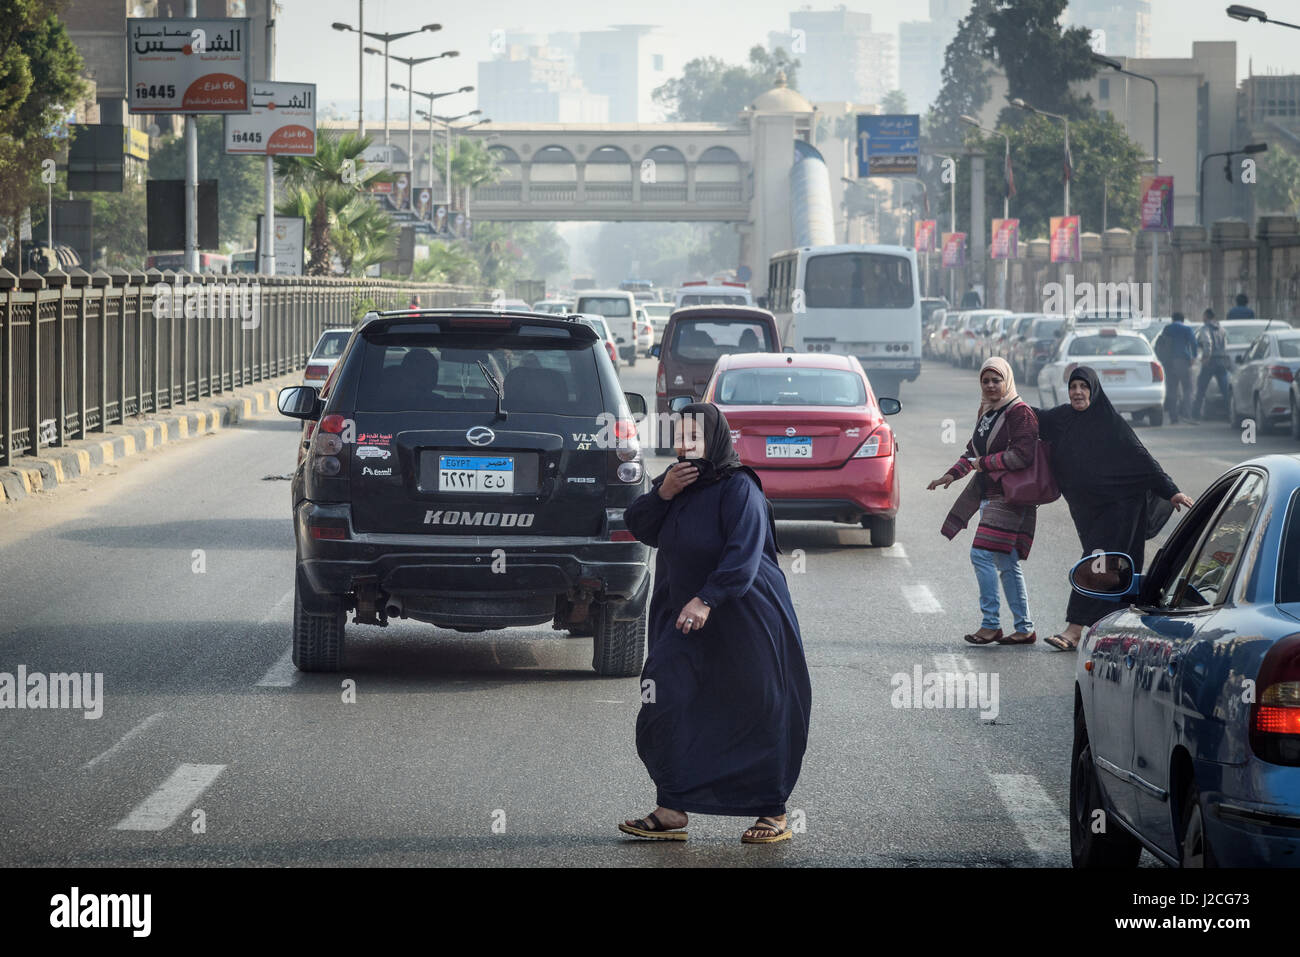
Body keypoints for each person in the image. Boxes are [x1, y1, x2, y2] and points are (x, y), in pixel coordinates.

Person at [619, 402, 812, 844]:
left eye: (694, 437)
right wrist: (662, 493)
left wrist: (708, 598)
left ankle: (771, 810)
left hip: (744, 614)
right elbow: (640, 526)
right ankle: (672, 807)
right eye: (679, 436)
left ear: (716, 440)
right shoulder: (677, 483)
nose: (684, 445)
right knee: (666, 698)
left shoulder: (739, 487)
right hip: (682, 615)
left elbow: (743, 553)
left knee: (757, 704)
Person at [1035, 367, 1195, 651]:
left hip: (1122, 510)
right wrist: (1003, 402)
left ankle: (1073, 630)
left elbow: (1143, 459)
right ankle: (1123, 633)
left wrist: (1172, 491)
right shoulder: (1061, 418)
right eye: (1073, 386)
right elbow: (1032, 418)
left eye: (1084, 387)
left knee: (1097, 562)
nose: (1078, 392)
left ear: (1094, 391)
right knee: (1117, 571)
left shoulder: (1111, 423)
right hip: (1089, 511)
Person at [928, 357, 1038, 645]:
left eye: (996, 380)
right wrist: (950, 476)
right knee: (1005, 560)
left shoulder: (1020, 413)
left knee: (981, 554)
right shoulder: (987, 412)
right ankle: (1024, 628)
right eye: (986, 380)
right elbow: (971, 453)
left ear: (1007, 381)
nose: (991, 385)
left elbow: (1023, 456)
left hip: (1009, 496)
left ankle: (991, 624)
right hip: (989, 495)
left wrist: (983, 463)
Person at [1154, 312, 1198, 423]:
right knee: (1188, 388)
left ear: (1172, 319)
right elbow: (1194, 343)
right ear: (1183, 320)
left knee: (1172, 389)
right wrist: (1194, 356)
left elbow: (1161, 344)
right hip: (1183, 361)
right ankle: (1186, 414)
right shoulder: (1187, 329)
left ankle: (1174, 417)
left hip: (1168, 363)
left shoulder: (1167, 328)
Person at [1191, 308, 1230, 421]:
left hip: (1211, 361)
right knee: (1225, 390)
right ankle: (1229, 414)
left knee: (1201, 388)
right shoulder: (1222, 329)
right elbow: (1225, 345)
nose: (1202, 318)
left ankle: (1195, 415)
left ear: (1207, 316)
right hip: (1221, 361)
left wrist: (1206, 357)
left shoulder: (1205, 328)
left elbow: (1208, 343)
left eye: (1203, 316)